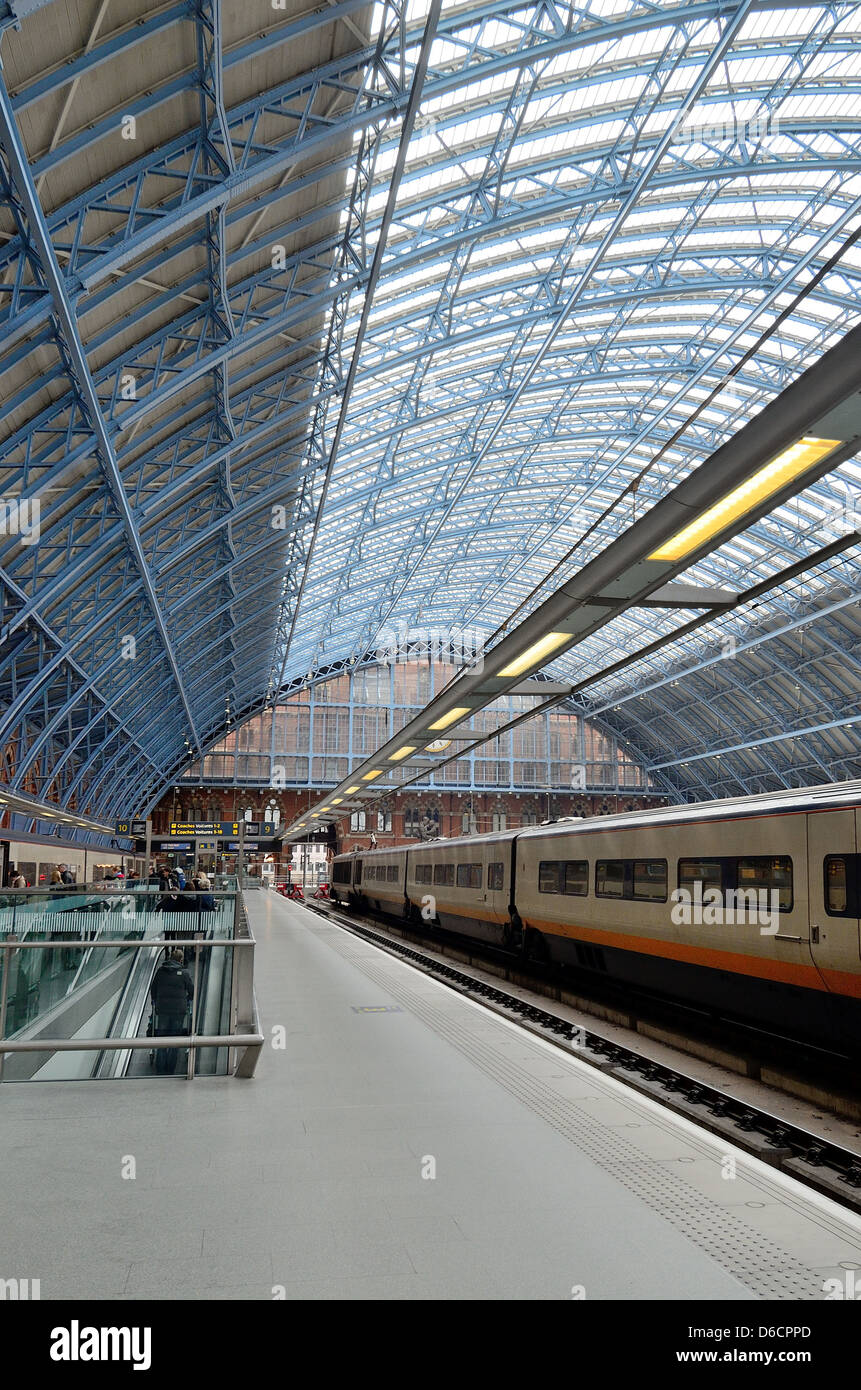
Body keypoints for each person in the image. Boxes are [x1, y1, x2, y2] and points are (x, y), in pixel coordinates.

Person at [149, 948, 194, 1074]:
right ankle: (170, 1070)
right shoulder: (184, 974)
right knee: (174, 1039)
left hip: (162, 1010)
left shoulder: (160, 971)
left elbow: (153, 989)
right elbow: (192, 990)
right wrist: (187, 1000)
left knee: (161, 1038)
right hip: (178, 1011)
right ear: (180, 960)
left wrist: (155, 1001)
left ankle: (160, 1069)